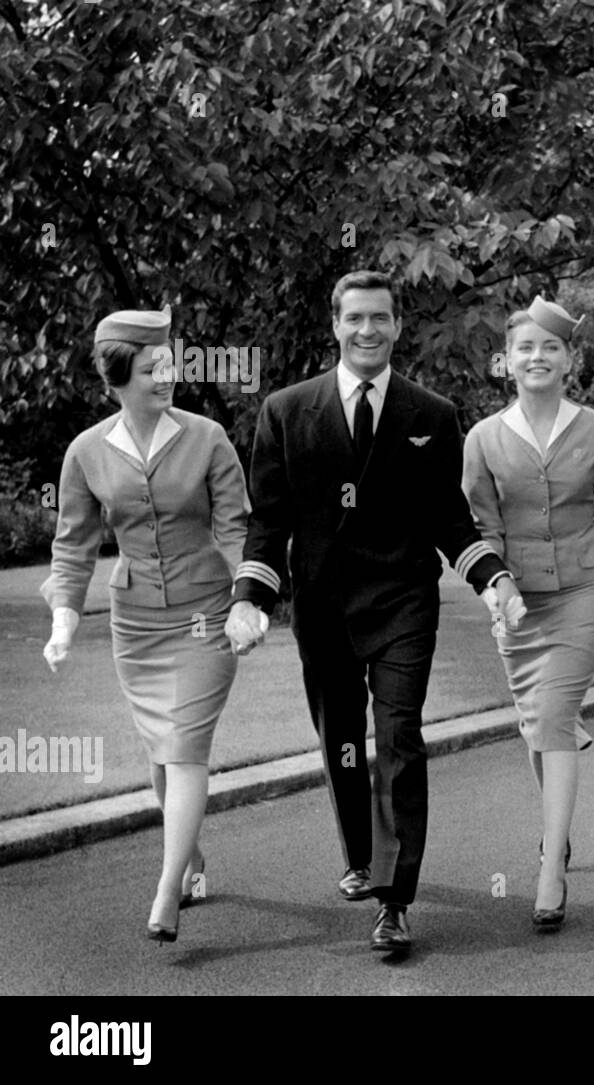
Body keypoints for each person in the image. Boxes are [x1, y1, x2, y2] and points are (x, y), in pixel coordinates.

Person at [224, 270, 520, 954]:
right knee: (342, 743)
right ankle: (359, 853)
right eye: (354, 318)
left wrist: (493, 579)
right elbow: (268, 522)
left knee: (401, 738)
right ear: (335, 324)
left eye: (380, 318)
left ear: (396, 325)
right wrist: (249, 601)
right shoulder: (285, 411)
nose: (367, 330)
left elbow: (450, 517)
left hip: (402, 603)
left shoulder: (432, 415)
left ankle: (394, 898)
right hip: (322, 605)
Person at [42, 305, 249, 943]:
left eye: (171, 362)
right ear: (117, 374)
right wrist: (64, 619)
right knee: (161, 754)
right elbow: (73, 545)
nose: (167, 375)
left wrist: (247, 597)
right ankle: (187, 855)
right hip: (133, 625)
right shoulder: (86, 452)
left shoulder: (208, 437)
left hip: (204, 616)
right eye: (152, 366)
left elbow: (237, 526)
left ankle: (165, 893)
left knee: (184, 745)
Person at [462, 297, 594, 932]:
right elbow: (480, 524)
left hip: (585, 592)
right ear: (508, 359)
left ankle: (550, 867)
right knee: (538, 725)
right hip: (516, 601)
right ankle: (558, 837)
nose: (538, 358)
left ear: (569, 359)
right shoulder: (483, 438)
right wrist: (497, 589)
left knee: (552, 717)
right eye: (526, 347)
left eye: (550, 348)